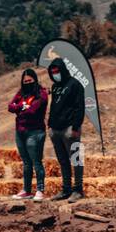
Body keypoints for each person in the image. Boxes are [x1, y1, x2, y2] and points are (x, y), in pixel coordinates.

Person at [46, 58, 86, 202]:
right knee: (63, 161)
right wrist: (50, 125)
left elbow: (80, 107)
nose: (55, 74)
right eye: (52, 72)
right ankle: (66, 189)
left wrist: (76, 127)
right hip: (55, 130)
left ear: (63, 69)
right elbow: (54, 107)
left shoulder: (75, 84)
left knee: (76, 160)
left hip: (70, 129)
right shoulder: (55, 86)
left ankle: (78, 190)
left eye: (57, 71)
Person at [8, 68, 48, 201]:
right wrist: (22, 106)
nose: (27, 83)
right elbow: (10, 107)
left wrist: (20, 108)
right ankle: (26, 189)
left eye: (30, 80)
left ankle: (40, 190)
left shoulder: (42, 93)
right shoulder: (21, 93)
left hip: (35, 131)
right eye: (25, 81)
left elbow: (33, 111)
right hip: (20, 131)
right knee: (26, 162)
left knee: (36, 161)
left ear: (35, 80)